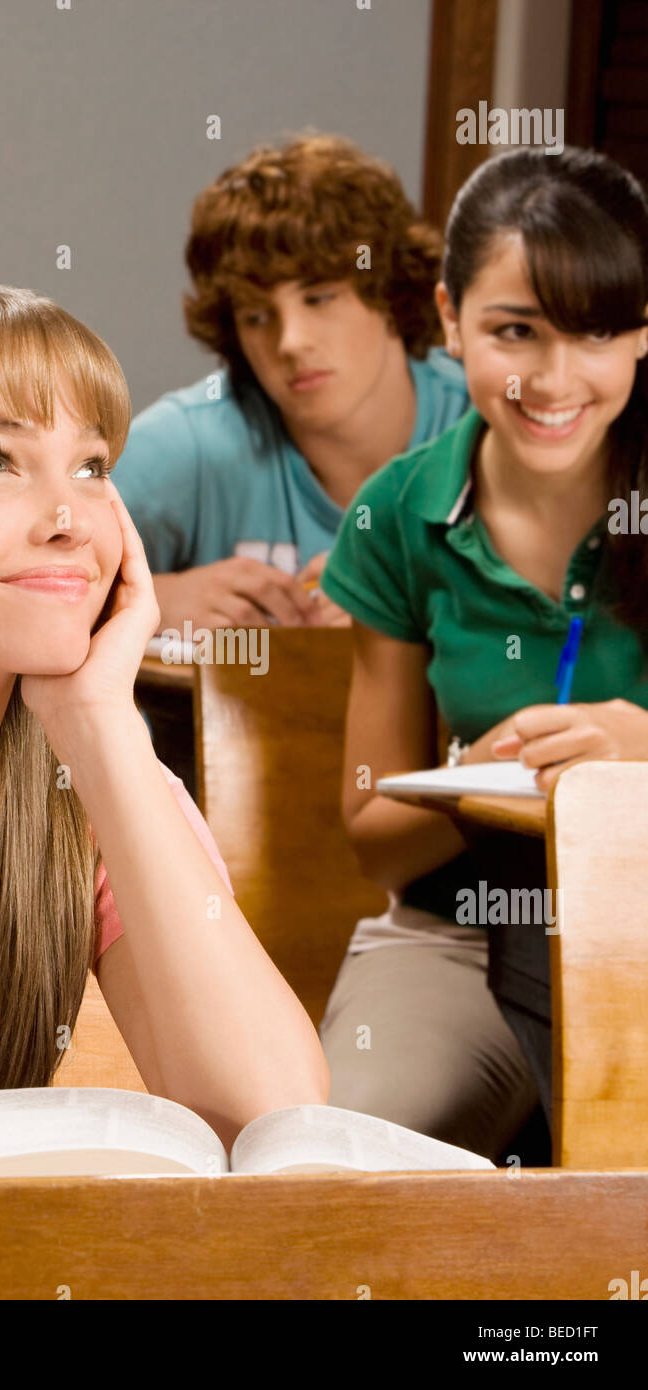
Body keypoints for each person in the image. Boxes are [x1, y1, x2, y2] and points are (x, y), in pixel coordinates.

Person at [0, 274, 328, 1180]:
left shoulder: (98, 789)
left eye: (91, 466)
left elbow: (276, 1129)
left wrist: (102, 724)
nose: (72, 520)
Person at [317, 146, 648, 1161]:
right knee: (336, 1161)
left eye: (595, 334)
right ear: (450, 317)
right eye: (514, 332)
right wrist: (471, 776)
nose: (552, 380)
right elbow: (374, 829)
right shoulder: (394, 513)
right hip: (455, 937)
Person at [111, 133, 470, 634]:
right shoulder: (195, 441)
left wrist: (414, 607)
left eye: (320, 298)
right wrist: (149, 601)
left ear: (388, 290)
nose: (290, 342)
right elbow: (7, 569)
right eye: (257, 316)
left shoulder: (487, 424)